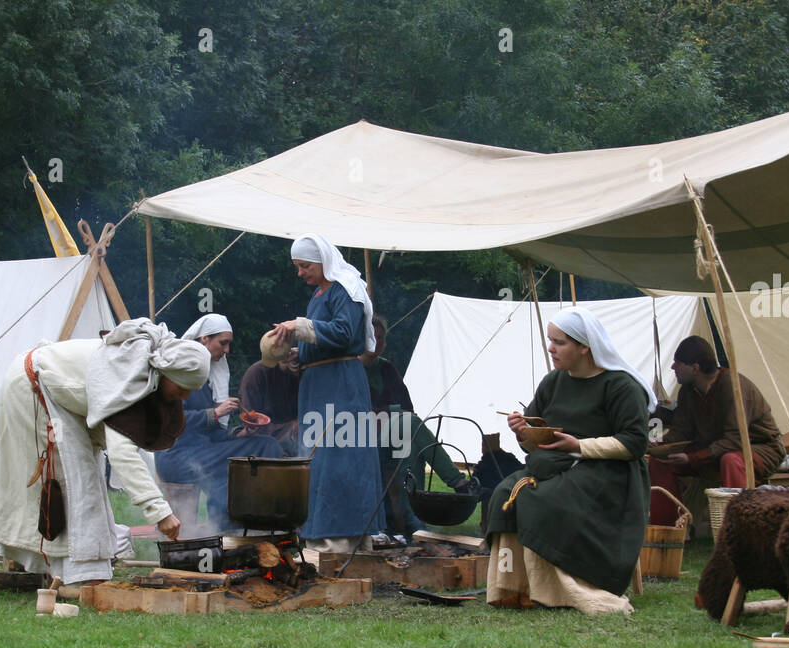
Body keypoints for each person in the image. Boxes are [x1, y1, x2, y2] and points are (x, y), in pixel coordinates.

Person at [0, 318, 210, 585]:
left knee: (84, 479)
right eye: (182, 388)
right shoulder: (127, 378)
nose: (184, 397)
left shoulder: (151, 376)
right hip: (32, 385)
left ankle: (70, 568)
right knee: (73, 482)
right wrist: (159, 510)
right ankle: (76, 573)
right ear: (167, 372)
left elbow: (133, 444)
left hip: (62, 397)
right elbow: (122, 452)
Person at [485, 306, 654, 613]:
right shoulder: (554, 381)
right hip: (556, 468)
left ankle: (563, 592)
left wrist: (579, 446)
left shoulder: (621, 386)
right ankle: (516, 588)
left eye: (559, 342)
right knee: (502, 495)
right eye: (551, 341)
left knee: (543, 501)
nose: (551, 348)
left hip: (609, 474)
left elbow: (635, 442)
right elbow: (537, 438)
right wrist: (523, 432)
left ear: (584, 347)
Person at [269, 233, 382, 552]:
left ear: (322, 261)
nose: (300, 272)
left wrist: (299, 326)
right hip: (317, 386)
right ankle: (320, 539)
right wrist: (297, 356)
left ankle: (344, 545)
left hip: (341, 385)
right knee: (316, 459)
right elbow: (318, 340)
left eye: (304, 266)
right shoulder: (318, 296)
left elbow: (346, 333)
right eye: (297, 267)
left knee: (340, 459)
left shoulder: (344, 290)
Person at [155, 315, 284, 531]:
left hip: (202, 453)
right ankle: (246, 522)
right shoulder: (177, 371)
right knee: (261, 449)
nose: (227, 350)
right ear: (204, 339)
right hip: (177, 456)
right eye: (222, 343)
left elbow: (212, 437)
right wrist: (215, 413)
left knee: (263, 443)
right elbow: (169, 421)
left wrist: (240, 434)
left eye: (228, 344)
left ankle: (234, 525)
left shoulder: (207, 380)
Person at [648, 335, 786, 525]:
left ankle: (739, 528)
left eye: (678, 363)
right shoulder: (688, 391)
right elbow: (682, 430)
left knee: (731, 460)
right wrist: (660, 447)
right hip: (712, 451)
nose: (673, 368)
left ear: (695, 368)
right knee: (659, 462)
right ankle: (669, 530)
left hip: (758, 449)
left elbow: (736, 440)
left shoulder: (733, 386)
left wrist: (694, 458)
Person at [360, 313, 473, 540]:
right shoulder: (351, 370)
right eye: (371, 336)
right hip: (359, 436)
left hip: (393, 435)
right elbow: (357, 413)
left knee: (411, 451)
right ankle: (459, 484)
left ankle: (411, 524)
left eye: (380, 337)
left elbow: (407, 407)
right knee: (410, 426)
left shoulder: (386, 368)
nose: (376, 342)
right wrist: (390, 413)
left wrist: (389, 414)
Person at [235, 352, 301, 455]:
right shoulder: (256, 373)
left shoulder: (301, 372)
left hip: (295, 434)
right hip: (263, 436)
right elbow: (251, 419)